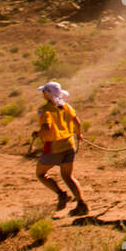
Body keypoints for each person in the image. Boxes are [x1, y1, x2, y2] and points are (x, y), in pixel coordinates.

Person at [35, 81, 87, 216]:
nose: (42, 94)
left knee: (40, 174)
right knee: (68, 176)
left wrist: (37, 134)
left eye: (44, 91)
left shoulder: (46, 110)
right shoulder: (66, 106)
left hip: (54, 146)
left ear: (47, 94)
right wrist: (79, 134)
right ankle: (81, 204)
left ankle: (61, 194)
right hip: (69, 144)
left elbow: (47, 128)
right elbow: (77, 122)